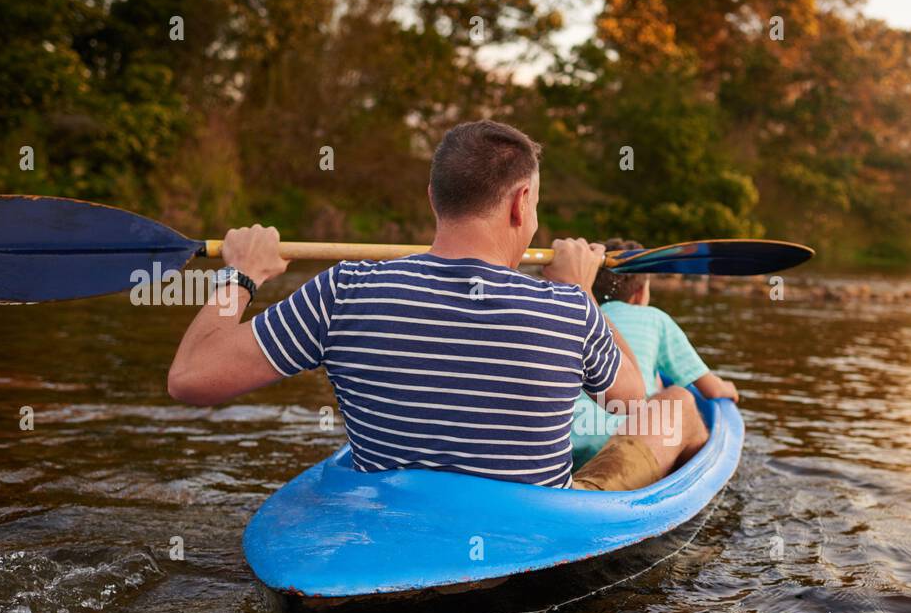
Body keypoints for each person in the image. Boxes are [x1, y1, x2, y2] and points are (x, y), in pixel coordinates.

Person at [166, 120, 704, 491]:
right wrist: (582, 290)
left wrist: (241, 274)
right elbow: (633, 402)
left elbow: (190, 378)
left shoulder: (343, 289)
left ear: (433, 198)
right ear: (521, 205)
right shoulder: (565, 307)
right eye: (534, 204)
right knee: (677, 403)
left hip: (397, 524)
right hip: (535, 532)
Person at [571, 239, 739, 474]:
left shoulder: (576, 311)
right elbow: (711, 389)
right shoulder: (654, 318)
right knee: (687, 418)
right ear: (640, 294)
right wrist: (728, 389)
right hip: (625, 444)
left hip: (573, 442)